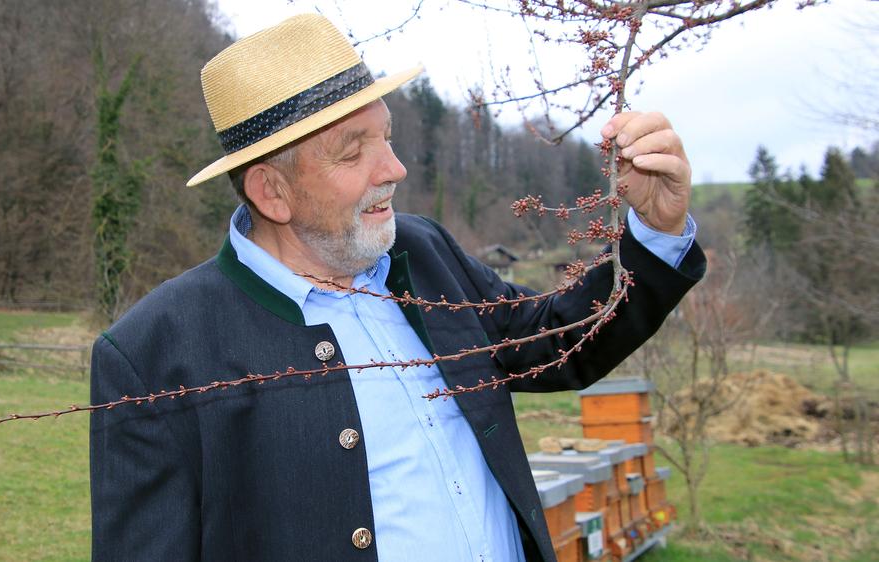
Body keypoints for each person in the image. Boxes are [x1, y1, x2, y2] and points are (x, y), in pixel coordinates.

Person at [89, 13, 705, 562]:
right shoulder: (157, 353)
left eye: (386, 137)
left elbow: (560, 340)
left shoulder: (422, 252)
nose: (394, 169)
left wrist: (654, 233)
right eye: (352, 151)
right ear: (271, 192)